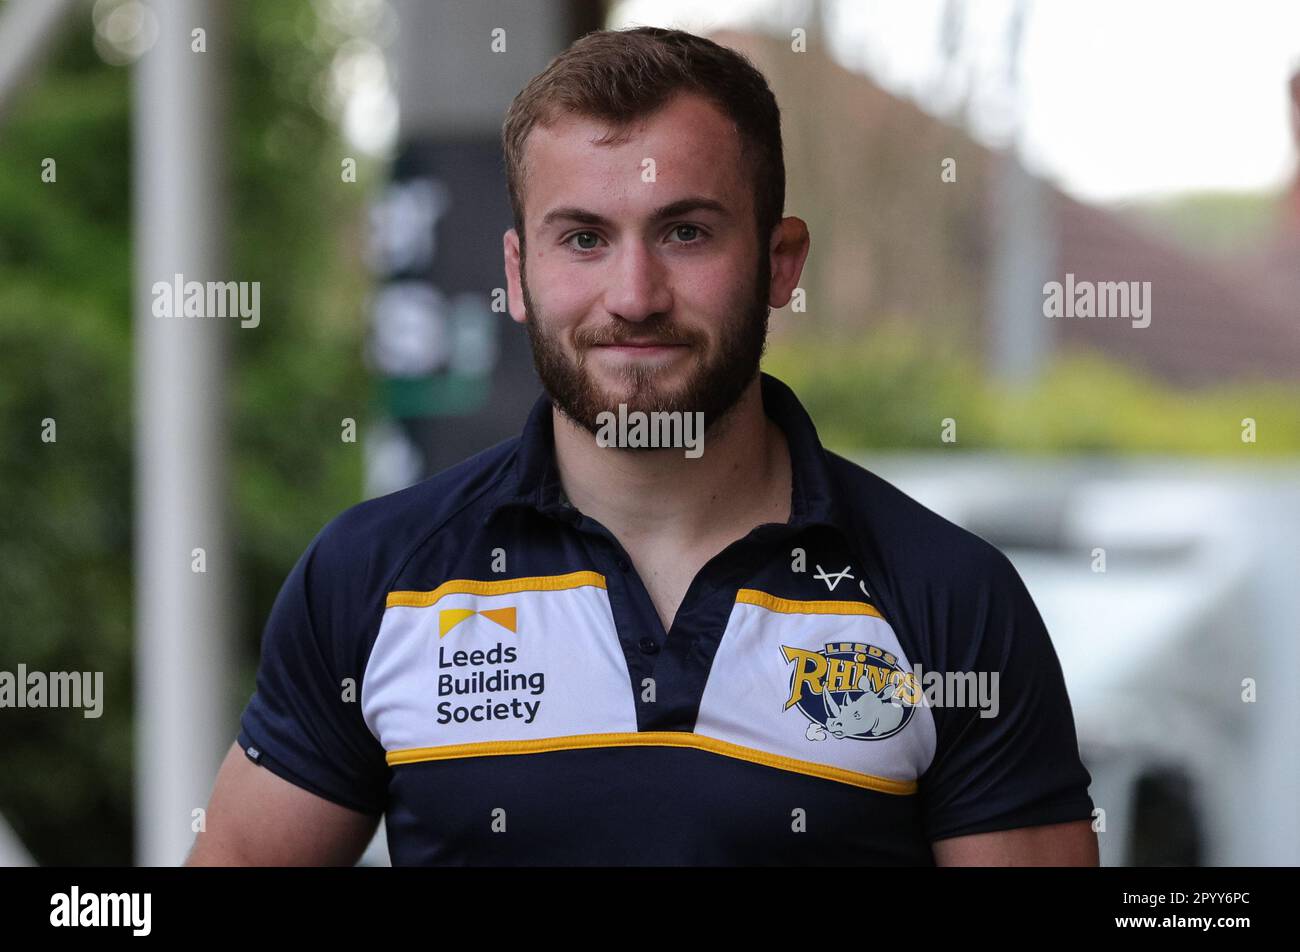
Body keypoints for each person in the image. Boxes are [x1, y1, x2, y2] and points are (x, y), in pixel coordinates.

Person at [187, 26, 1097, 866]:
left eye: (686, 233)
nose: (634, 293)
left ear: (780, 262)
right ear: (517, 275)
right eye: (583, 238)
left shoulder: (951, 600)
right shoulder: (371, 578)